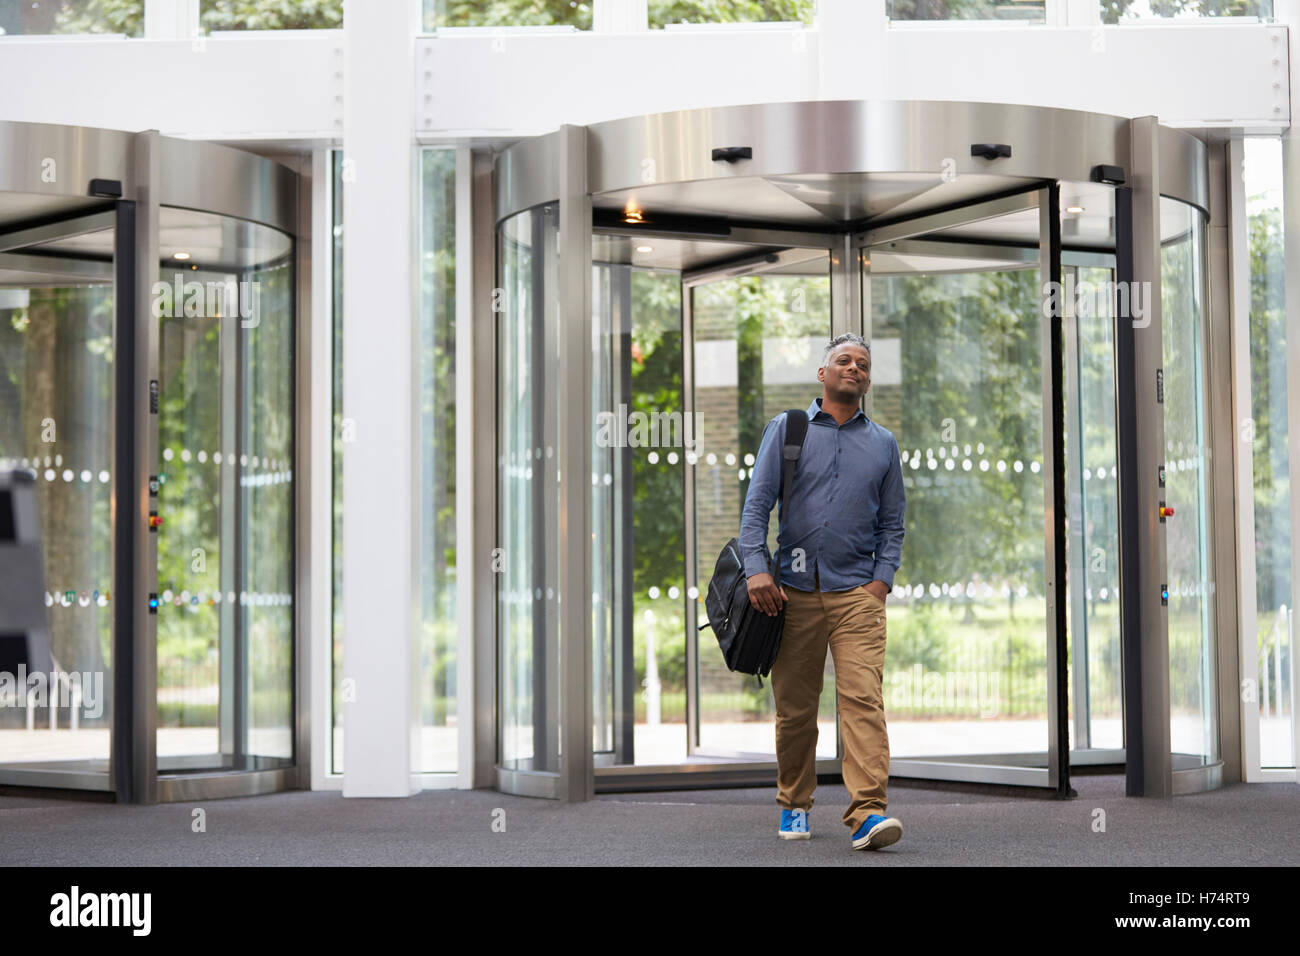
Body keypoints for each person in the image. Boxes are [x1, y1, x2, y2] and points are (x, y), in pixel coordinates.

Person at [739, 332, 906, 850]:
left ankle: (868, 813)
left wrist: (881, 581)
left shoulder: (882, 443)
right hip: (790, 593)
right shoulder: (787, 429)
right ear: (823, 373)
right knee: (796, 709)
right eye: (843, 361)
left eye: (862, 364)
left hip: (858, 593)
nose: (853, 368)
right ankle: (794, 803)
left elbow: (893, 524)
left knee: (863, 701)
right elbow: (756, 507)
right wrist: (754, 569)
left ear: (868, 379)